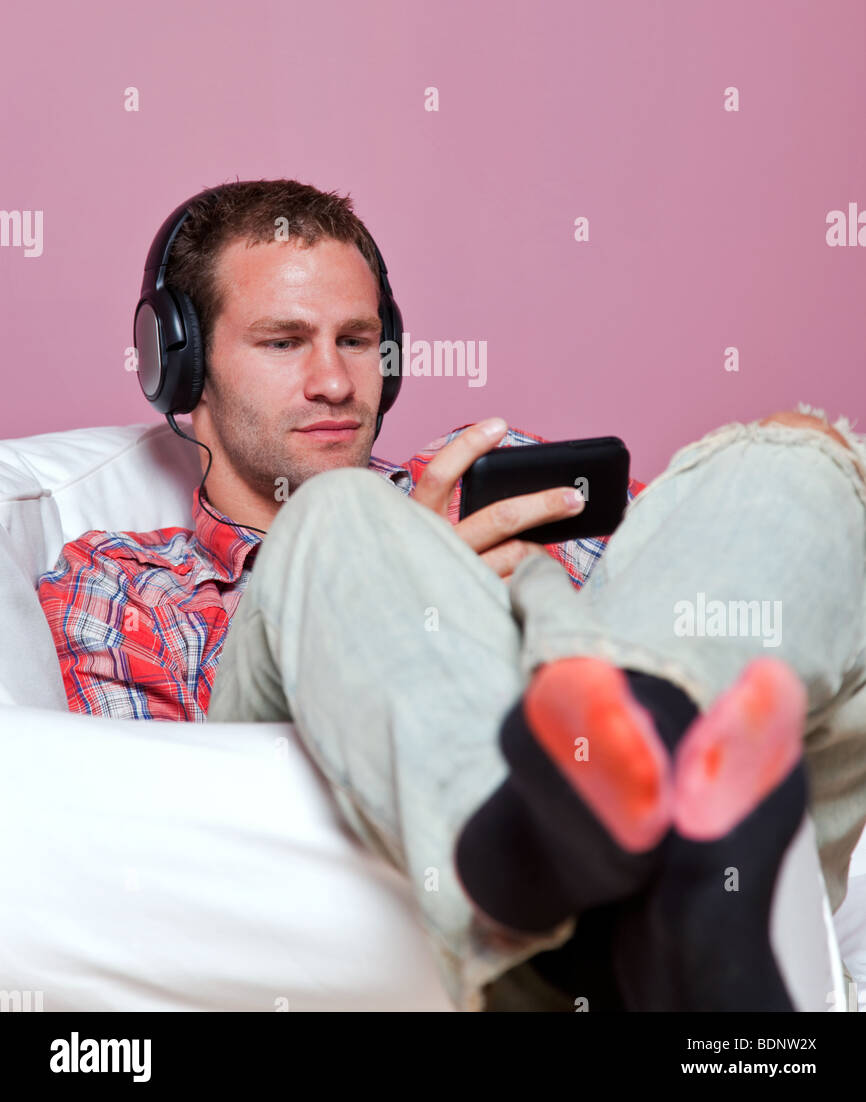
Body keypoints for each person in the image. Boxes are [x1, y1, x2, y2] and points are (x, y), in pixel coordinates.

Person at [36, 179, 866, 1012]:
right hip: (426, 926)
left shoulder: (497, 479)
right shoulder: (122, 587)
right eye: (284, 342)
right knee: (335, 514)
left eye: (356, 339)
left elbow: (743, 559)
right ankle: (544, 866)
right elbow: (151, 848)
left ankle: (655, 850)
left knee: (797, 456)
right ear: (179, 368)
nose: (333, 381)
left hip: (648, 894)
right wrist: (415, 593)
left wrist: (518, 613)